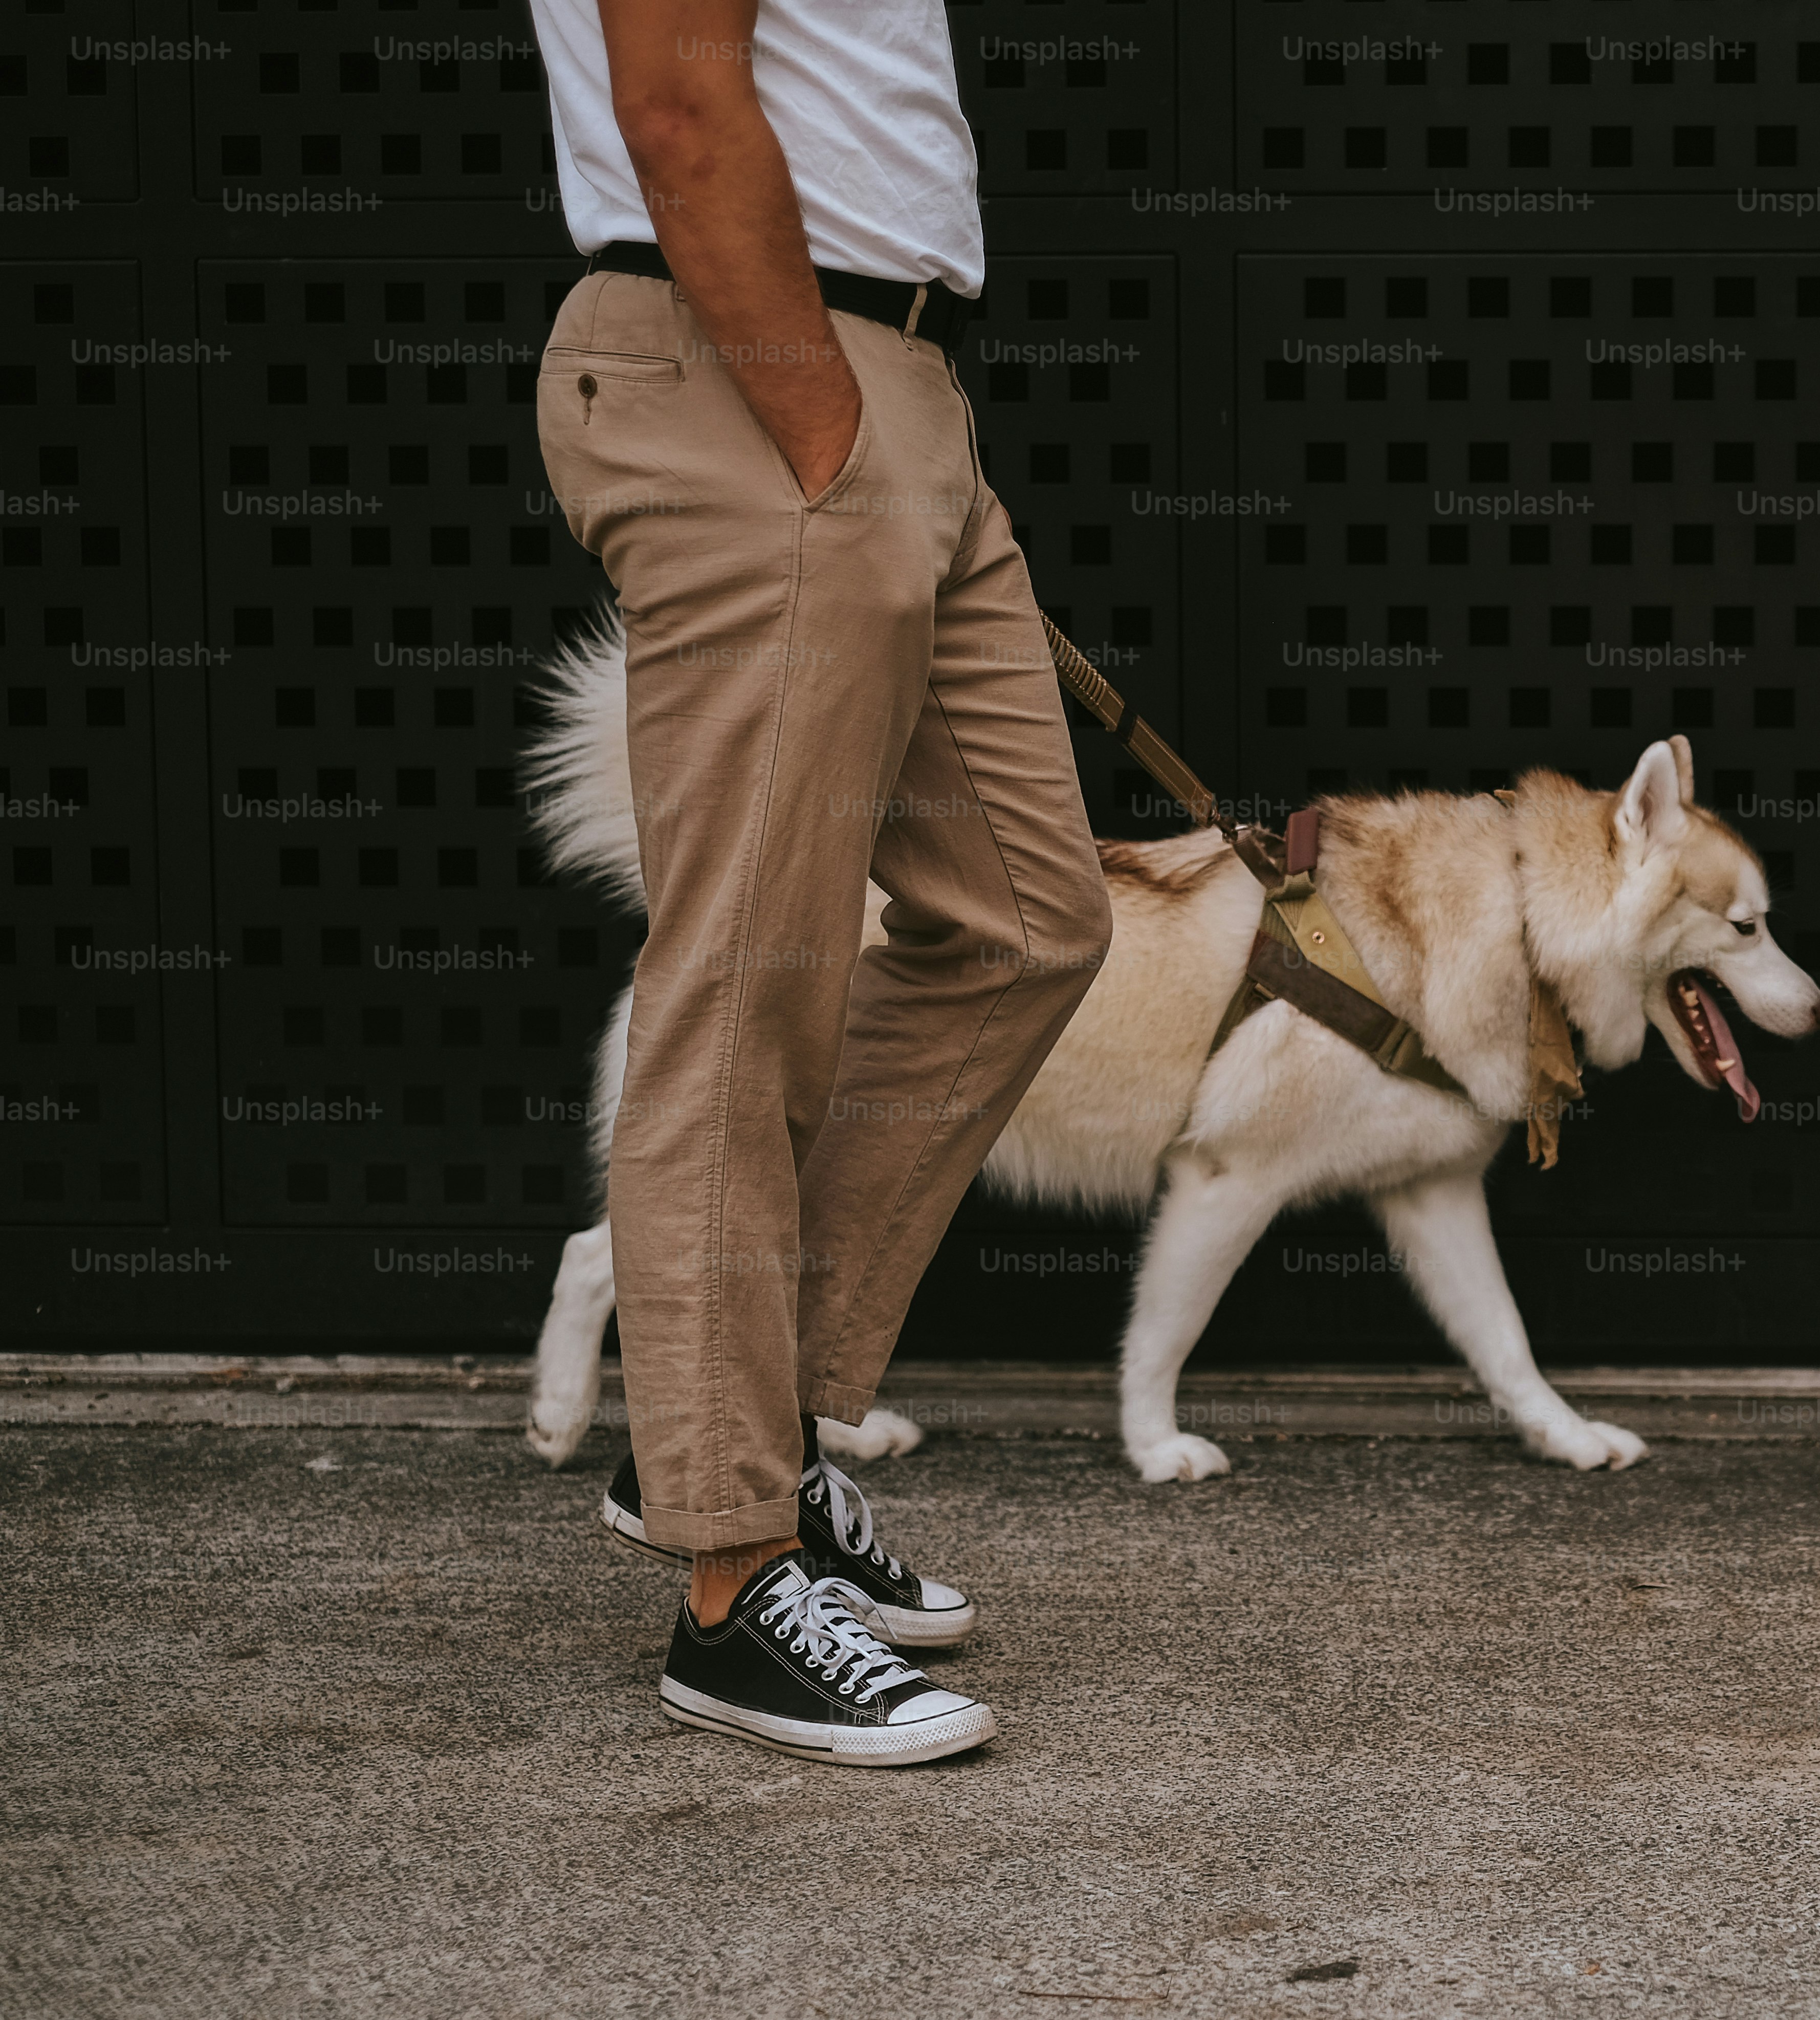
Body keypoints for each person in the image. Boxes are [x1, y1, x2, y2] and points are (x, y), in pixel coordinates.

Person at [530, 0, 1109, 1767]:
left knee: (1028, 915)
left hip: (887, 383)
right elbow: (680, 104)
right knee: (746, 979)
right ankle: (728, 1574)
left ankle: (735, 1422)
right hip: (755, 364)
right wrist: (825, 433)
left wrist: (878, 432)